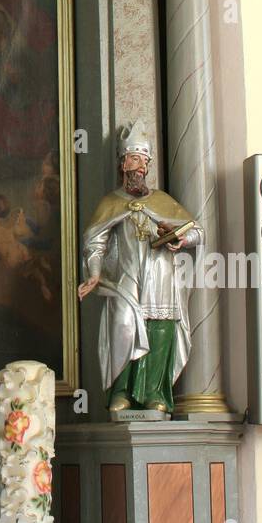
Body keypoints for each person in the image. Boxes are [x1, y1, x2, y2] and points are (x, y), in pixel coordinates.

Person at [78, 120, 201, 416]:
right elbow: (95, 242)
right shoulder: (111, 202)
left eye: (144, 161)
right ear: (123, 164)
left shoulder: (162, 201)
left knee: (159, 329)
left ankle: (155, 394)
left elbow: (197, 231)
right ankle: (121, 392)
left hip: (161, 277)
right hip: (126, 277)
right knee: (124, 327)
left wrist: (180, 240)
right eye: (134, 160)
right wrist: (95, 274)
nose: (140, 167)